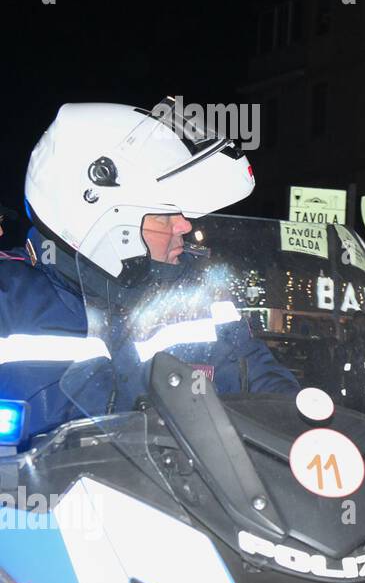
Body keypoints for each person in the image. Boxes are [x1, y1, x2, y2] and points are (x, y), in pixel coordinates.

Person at [0, 101, 295, 449]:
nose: (184, 225)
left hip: (183, 501)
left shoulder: (194, 297)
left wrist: (309, 428)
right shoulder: (8, 304)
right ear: (98, 220)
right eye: (164, 214)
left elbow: (261, 381)